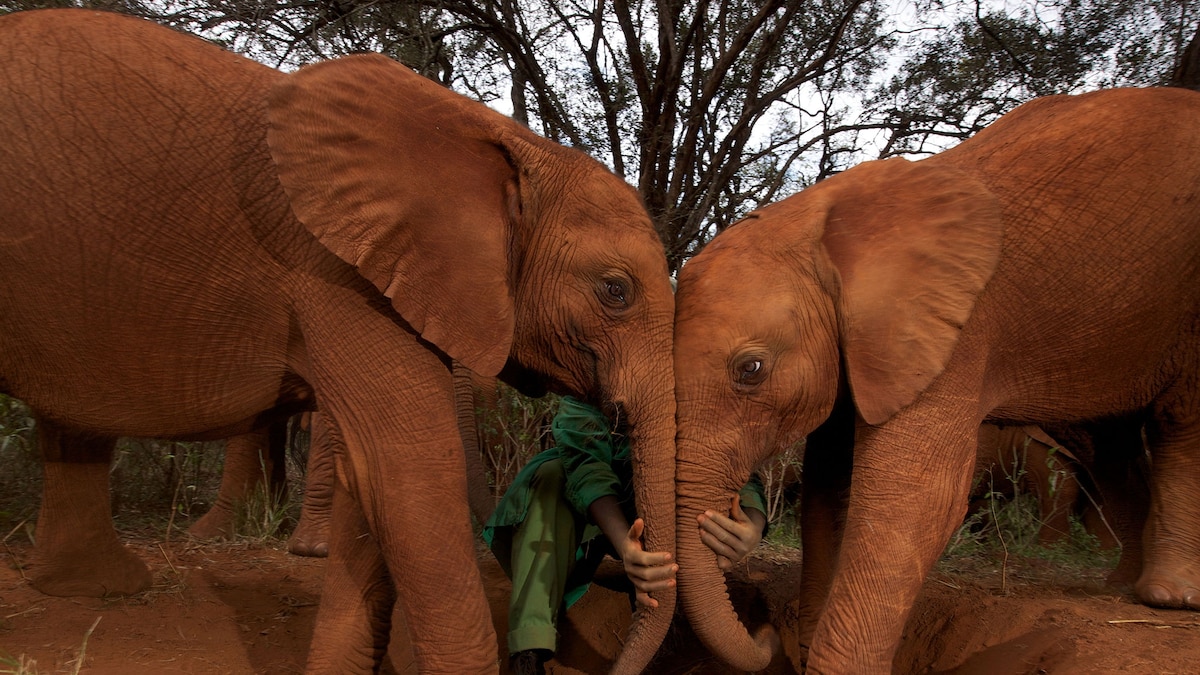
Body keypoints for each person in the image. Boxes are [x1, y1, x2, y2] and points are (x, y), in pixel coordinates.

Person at [484, 396, 768, 675]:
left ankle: (675, 612)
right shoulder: (592, 379)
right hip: (596, 509)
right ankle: (528, 647)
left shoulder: (699, 381)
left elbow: (734, 463)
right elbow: (585, 464)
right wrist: (624, 543)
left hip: (671, 505)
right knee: (551, 475)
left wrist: (753, 525)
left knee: (697, 481)